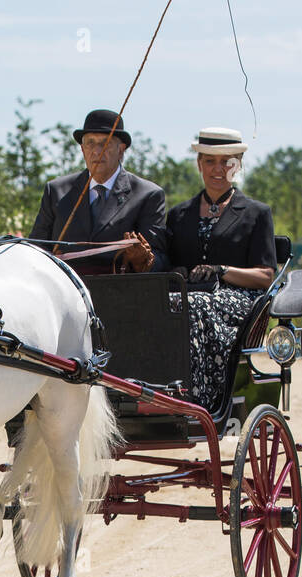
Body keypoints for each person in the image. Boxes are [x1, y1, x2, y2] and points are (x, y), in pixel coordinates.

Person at [128, 126, 276, 411]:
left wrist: (222, 270)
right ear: (199, 164)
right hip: (188, 295)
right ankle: (149, 390)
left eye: (227, 162)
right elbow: (167, 265)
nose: (218, 169)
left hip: (237, 301)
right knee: (160, 305)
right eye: (210, 161)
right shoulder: (179, 215)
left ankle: (196, 397)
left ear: (238, 166)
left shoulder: (256, 213)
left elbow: (265, 276)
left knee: (193, 306)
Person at [28, 109, 164, 274]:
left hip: (121, 293)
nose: (97, 151)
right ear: (82, 149)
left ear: (121, 150)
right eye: (90, 143)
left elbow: (161, 260)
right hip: (65, 294)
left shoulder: (148, 195)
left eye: (105, 143)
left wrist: (142, 260)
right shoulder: (56, 191)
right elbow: (34, 250)